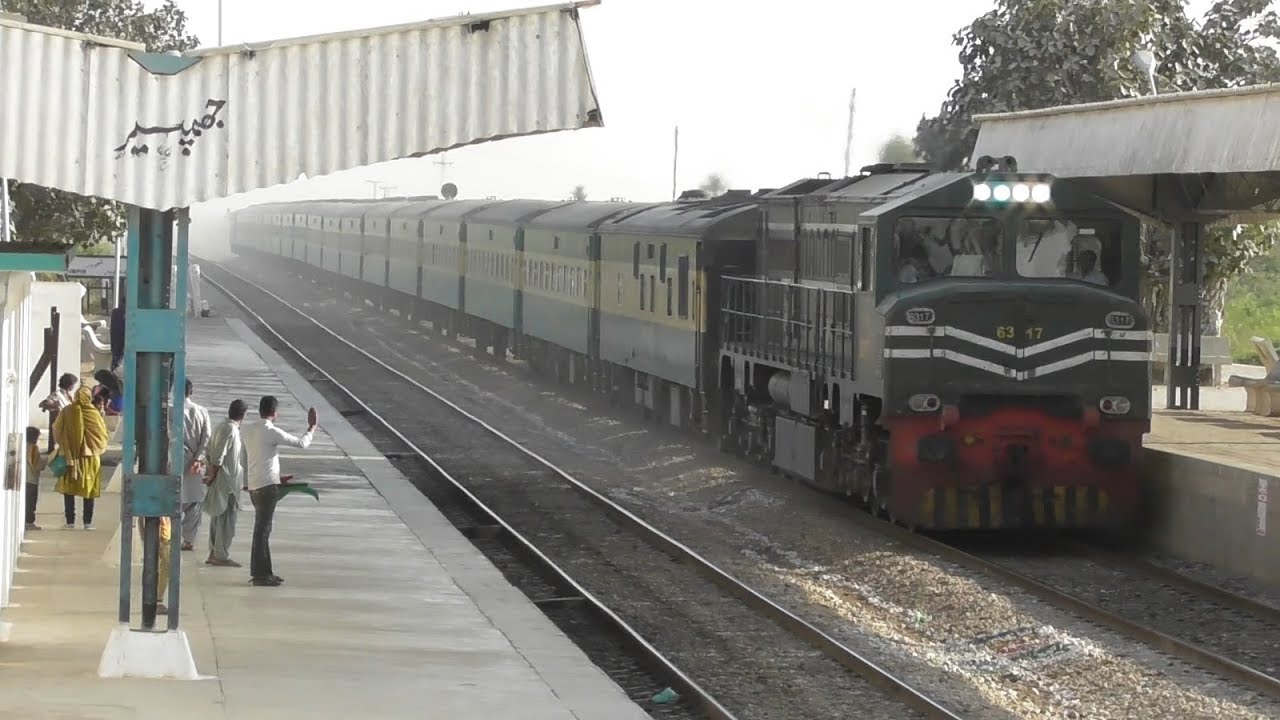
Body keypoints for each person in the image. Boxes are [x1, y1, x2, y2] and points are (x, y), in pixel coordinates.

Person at [242, 396, 317, 587]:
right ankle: (260, 575)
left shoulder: (248, 430)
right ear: (275, 413)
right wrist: (312, 428)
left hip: (254, 485)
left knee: (262, 529)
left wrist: (249, 481)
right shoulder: (271, 431)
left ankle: (265, 572)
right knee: (263, 531)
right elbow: (301, 443)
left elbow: (246, 458)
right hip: (267, 487)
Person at [52, 386, 108, 530]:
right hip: (90, 458)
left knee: (68, 490)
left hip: (70, 457)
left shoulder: (67, 411)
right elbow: (102, 435)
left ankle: (70, 522)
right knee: (88, 490)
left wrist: (65, 444)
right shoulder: (94, 413)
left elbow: (56, 429)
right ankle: (87, 523)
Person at [204, 399, 248, 567]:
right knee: (226, 520)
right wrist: (212, 475)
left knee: (218, 518)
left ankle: (214, 552)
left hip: (223, 480)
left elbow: (210, 452)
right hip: (227, 482)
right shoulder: (230, 430)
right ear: (243, 415)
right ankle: (220, 555)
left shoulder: (221, 427)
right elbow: (217, 457)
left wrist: (211, 474)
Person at [180, 379, 211, 552]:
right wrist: (198, 458)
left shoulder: (170, 410)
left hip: (175, 460)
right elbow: (206, 438)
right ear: (191, 392)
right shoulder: (202, 411)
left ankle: (170, 535)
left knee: (173, 500)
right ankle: (188, 540)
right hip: (195, 464)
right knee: (194, 503)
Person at [25, 426, 45, 531]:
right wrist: (45, 462)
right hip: (32, 480)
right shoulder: (33, 449)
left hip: (25, 479)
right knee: (31, 502)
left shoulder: (23, 446)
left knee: (26, 501)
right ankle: (29, 522)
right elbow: (36, 465)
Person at [110, 290, 126, 371]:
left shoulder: (116, 312)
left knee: (116, 361)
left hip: (116, 344)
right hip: (121, 343)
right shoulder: (125, 313)